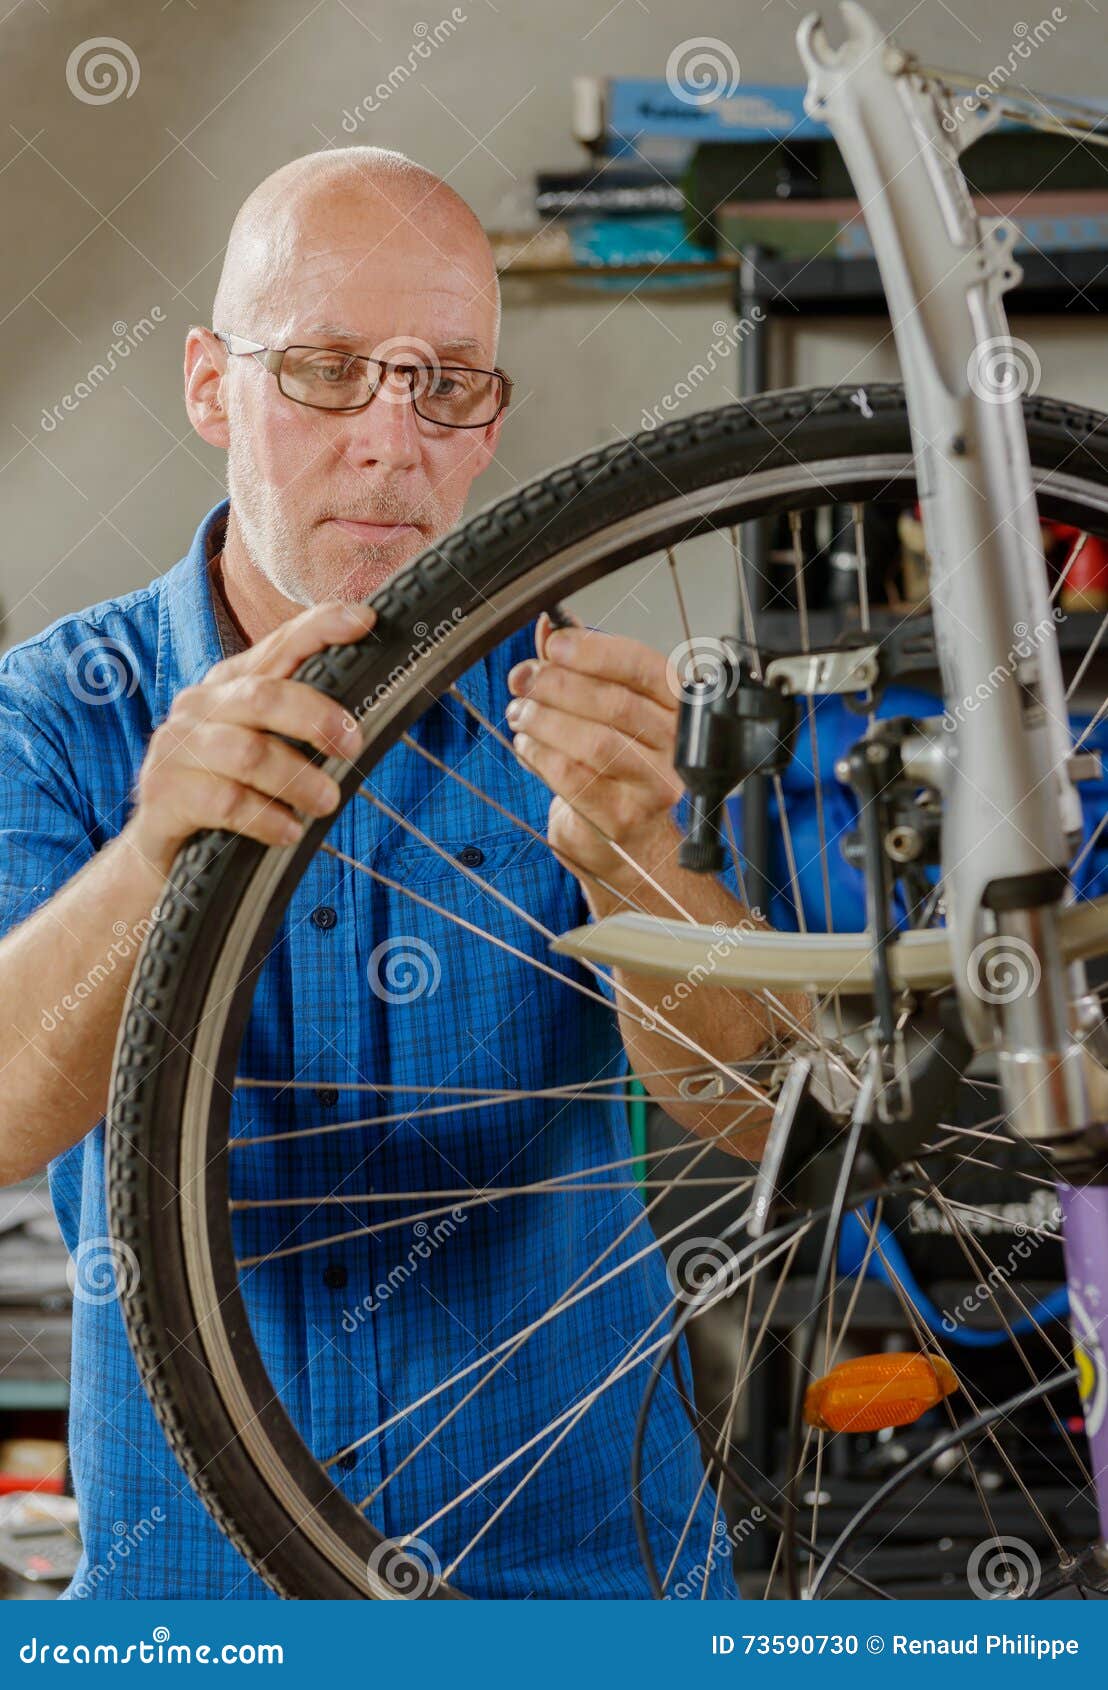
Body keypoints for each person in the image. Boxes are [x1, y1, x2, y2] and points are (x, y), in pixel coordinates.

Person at [0, 147, 801, 1598]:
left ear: (489, 425)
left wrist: (648, 867)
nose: (391, 437)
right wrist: (154, 859)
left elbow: (758, 1113)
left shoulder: (593, 720)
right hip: (196, 1577)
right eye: (325, 369)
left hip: (580, 1575)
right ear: (208, 385)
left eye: (446, 383)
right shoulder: (60, 709)